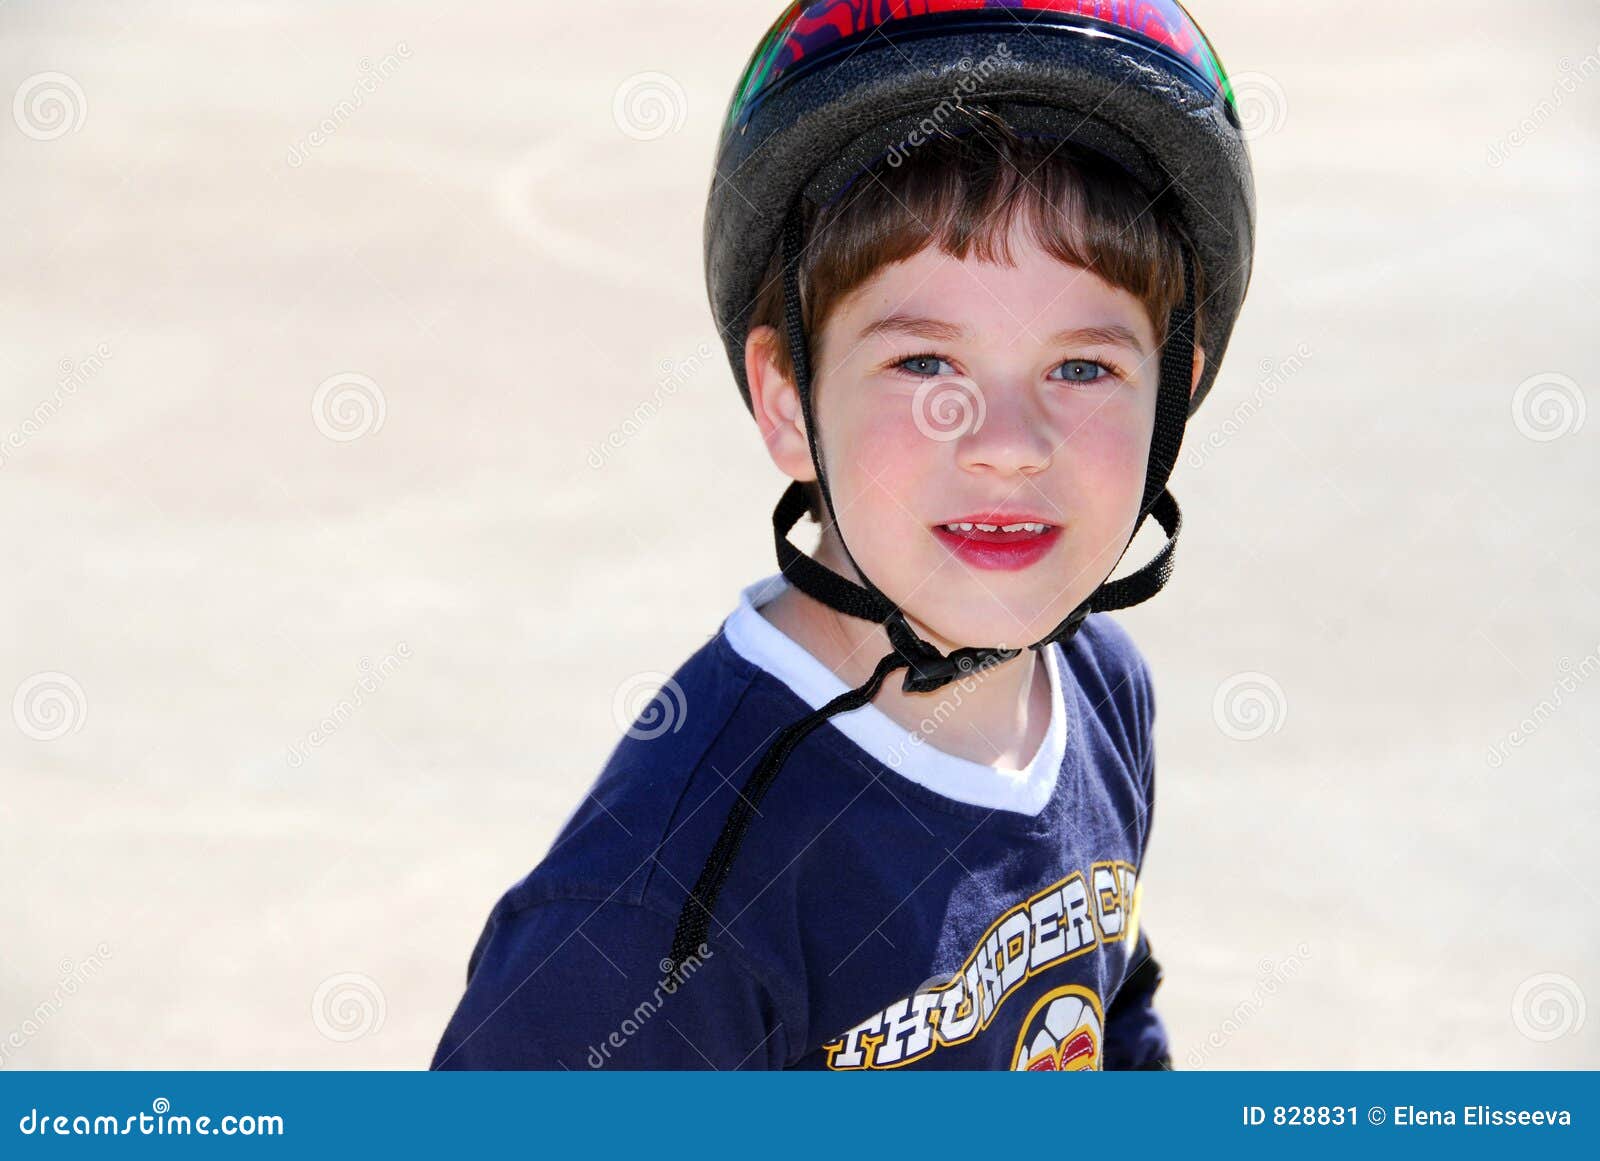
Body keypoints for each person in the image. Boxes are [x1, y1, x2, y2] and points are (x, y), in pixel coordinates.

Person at [432, 0, 1256, 1071]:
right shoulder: (658, 914)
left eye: (1083, 367)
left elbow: (1112, 1010)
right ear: (787, 402)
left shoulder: (1098, 686)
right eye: (924, 364)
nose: (1007, 443)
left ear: (1171, 403)